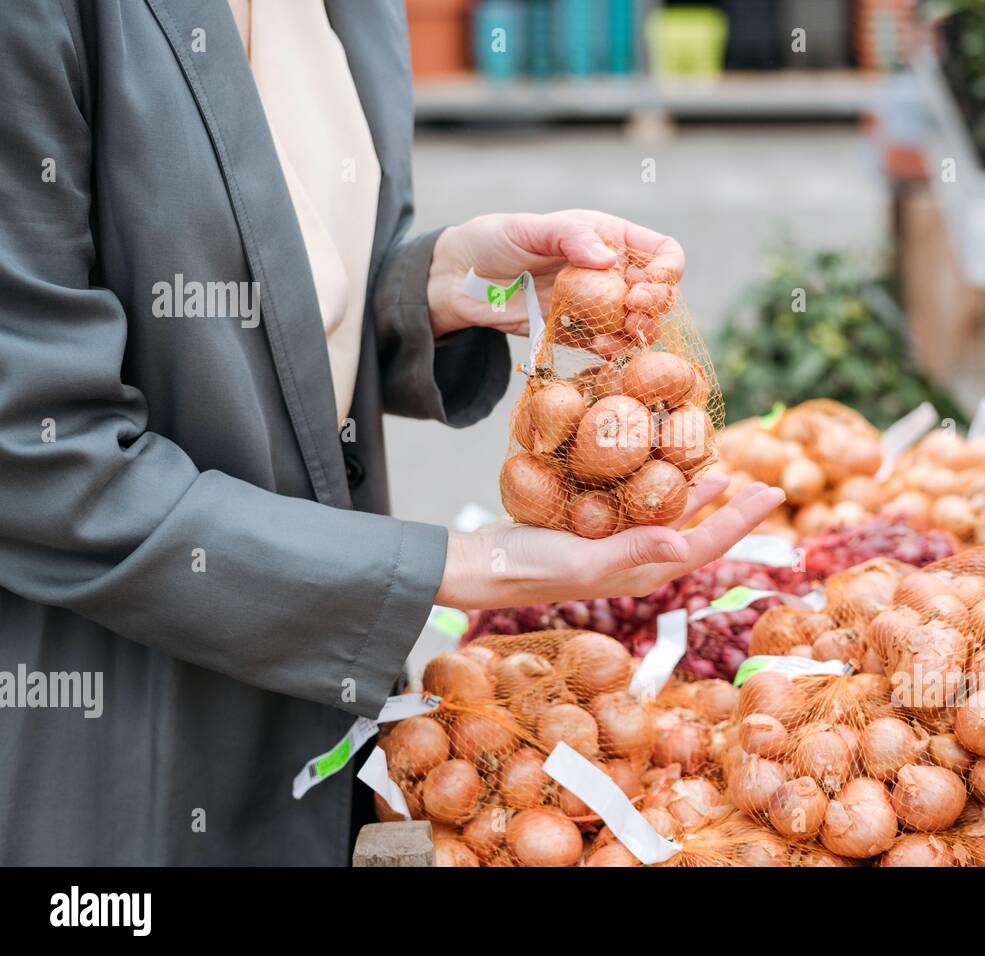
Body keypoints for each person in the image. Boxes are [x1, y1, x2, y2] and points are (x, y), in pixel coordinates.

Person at [0, 1, 782, 865]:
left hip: (325, 716)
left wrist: (445, 284)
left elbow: (287, 293)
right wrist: (456, 568)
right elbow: (39, 458)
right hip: (112, 734)